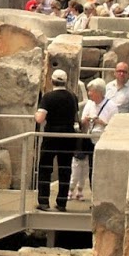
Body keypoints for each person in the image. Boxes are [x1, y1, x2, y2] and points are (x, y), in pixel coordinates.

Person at [36, 69, 80, 212]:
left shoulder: (48, 97)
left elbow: (40, 118)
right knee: (65, 169)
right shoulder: (73, 96)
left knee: (45, 168)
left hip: (51, 136)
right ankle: (62, 202)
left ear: (52, 80)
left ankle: (44, 201)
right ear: (65, 82)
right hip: (68, 136)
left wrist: (36, 114)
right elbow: (75, 116)